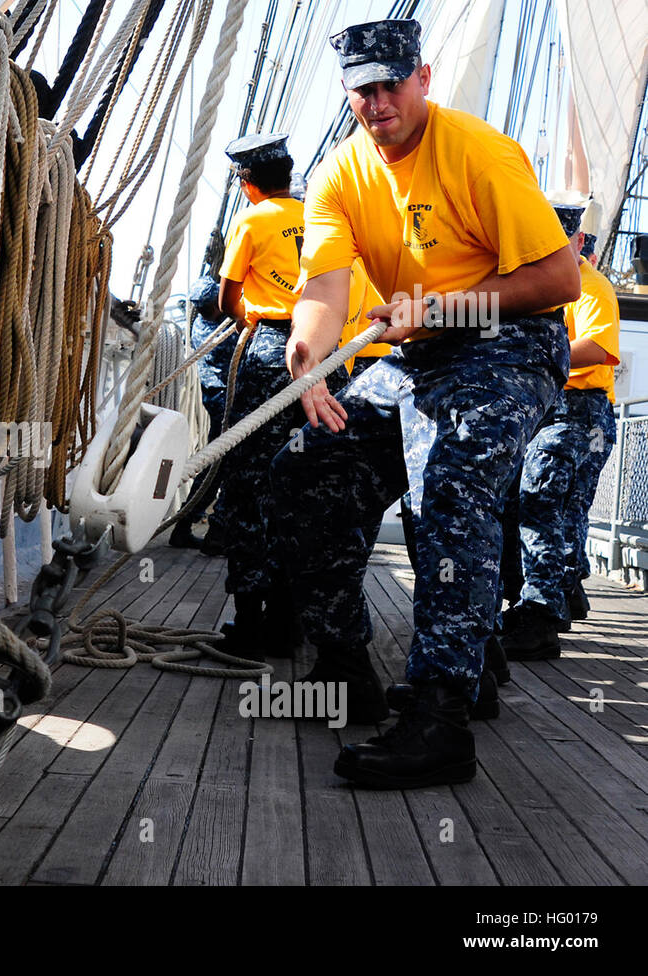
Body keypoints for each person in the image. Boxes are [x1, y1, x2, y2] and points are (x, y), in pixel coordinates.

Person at [269, 18, 580, 788]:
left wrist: (439, 311)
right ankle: (345, 667)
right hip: (415, 356)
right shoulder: (342, 175)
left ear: (423, 79)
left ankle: (440, 714)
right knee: (304, 469)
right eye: (362, 91)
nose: (378, 103)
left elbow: (559, 282)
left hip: (508, 341)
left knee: (449, 487)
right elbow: (324, 286)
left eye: (389, 85)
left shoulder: (479, 153)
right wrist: (307, 353)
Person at [208, 133, 347, 661]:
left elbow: (227, 299)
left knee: (248, 484)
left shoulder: (252, 220)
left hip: (269, 354)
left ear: (247, 185)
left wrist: (256, 320)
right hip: (323, 352)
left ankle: (249, 624)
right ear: (290, 175)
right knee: (303, 484)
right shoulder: (320, 216)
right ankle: (291, 622)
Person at [500, 198, 620, 660]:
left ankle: (541, 616)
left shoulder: (589, 287)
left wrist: (532, 358)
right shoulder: (540, 287)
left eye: (557, 242)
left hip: (577, 412)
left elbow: (596, 346)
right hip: (551, 408)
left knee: (541, 502)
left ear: (579, 241)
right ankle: (560, 592)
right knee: (552, 509)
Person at [168, 272, 236, 552]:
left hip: (216, 398)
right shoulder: (222, 333)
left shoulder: (200, 323)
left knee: (217, 467)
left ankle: (186, 526)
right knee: (226, 467)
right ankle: (215, 533)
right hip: (226, 400)